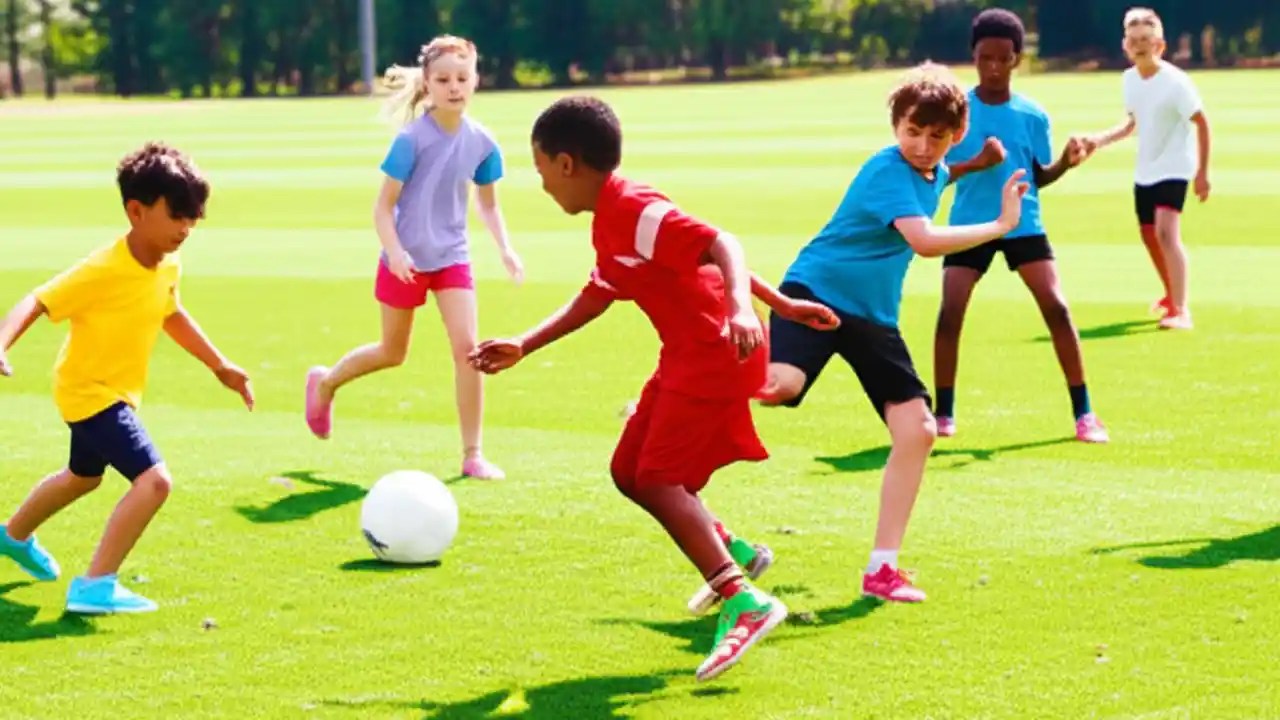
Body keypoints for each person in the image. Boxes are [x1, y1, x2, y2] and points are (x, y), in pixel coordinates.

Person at [469, 96, 840, 682]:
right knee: (628, 470)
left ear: (567, 164)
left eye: (540, 170)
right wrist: (525, 344)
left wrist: (748, 306)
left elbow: (723, 244)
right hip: (690, 354)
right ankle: (735, 553)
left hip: (717, 351)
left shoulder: (636, 209)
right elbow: (600, 293)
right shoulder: (609, 221)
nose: (541, 185)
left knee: (659, 480)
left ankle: (744, 601)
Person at [758, 63, 1028, 604]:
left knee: (918, 431)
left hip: (873, 317)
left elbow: (946, 172)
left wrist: (981, 163)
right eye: (912, 132)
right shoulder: (886, 170)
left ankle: (883, 568)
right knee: (778, 387)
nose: (923, 147)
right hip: (815, 293)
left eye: (936, 136)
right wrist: (1000, 226)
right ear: (894, 126)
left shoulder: (935, 169)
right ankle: (682, 386)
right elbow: (925, 241)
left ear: (955, 133)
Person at [0, 142, 253, 614]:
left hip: (112, 391)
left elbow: (170, 312)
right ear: (135, 211)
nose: (185, 228)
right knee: (154, 481)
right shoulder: (102, 268)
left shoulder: (167, 260)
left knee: (81, 478)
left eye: (192, 218)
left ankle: (12, 537)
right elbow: (36, 300)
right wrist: (2, 341)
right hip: (89, 392)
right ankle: (95, 584)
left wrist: (219, 365)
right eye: (176, 215)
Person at [305, 35, 522, 479]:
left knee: (468, 351)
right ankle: (326, 383)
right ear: (427, 83)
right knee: (392, 351)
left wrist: (505, 247)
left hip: (452, 258)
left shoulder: (483, 142)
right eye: (443, 79)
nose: (454, 87)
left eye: (462, 78)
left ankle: (472, 454)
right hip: (404, 260)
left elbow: (488, 204)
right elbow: (382, 208)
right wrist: (396, 252)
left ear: (475, 79)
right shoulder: (411, 140)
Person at [933, 8, 1108, 443]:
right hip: (971, 225)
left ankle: (1084, 414)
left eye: (1002, 58)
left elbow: (1038, 176)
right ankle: (944, 413)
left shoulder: (1032, 115)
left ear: (1017, 58)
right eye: (984, 58)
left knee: (1057, 308)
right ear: (973, 56)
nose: (993, 67)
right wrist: (977, 163)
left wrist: (1065, 164)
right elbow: (935, 172)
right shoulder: (956, 111)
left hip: (1023, 224)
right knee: (950, 313)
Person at [1081, 6, 1212, 330]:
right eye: (1134, 39)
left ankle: (1182, 310)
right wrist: (1099, 139)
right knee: (1149, 235)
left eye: (1146, 39)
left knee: (1168, 234)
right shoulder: (1129, 80)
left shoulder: (1176, 83)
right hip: (1146, 170)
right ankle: (1170, 295)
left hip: (1175, 167)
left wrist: (1202, 173)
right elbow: (1132, 123)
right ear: (1125, 45)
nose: (1140, 45)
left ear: (1160, 45)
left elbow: (1202, 122)